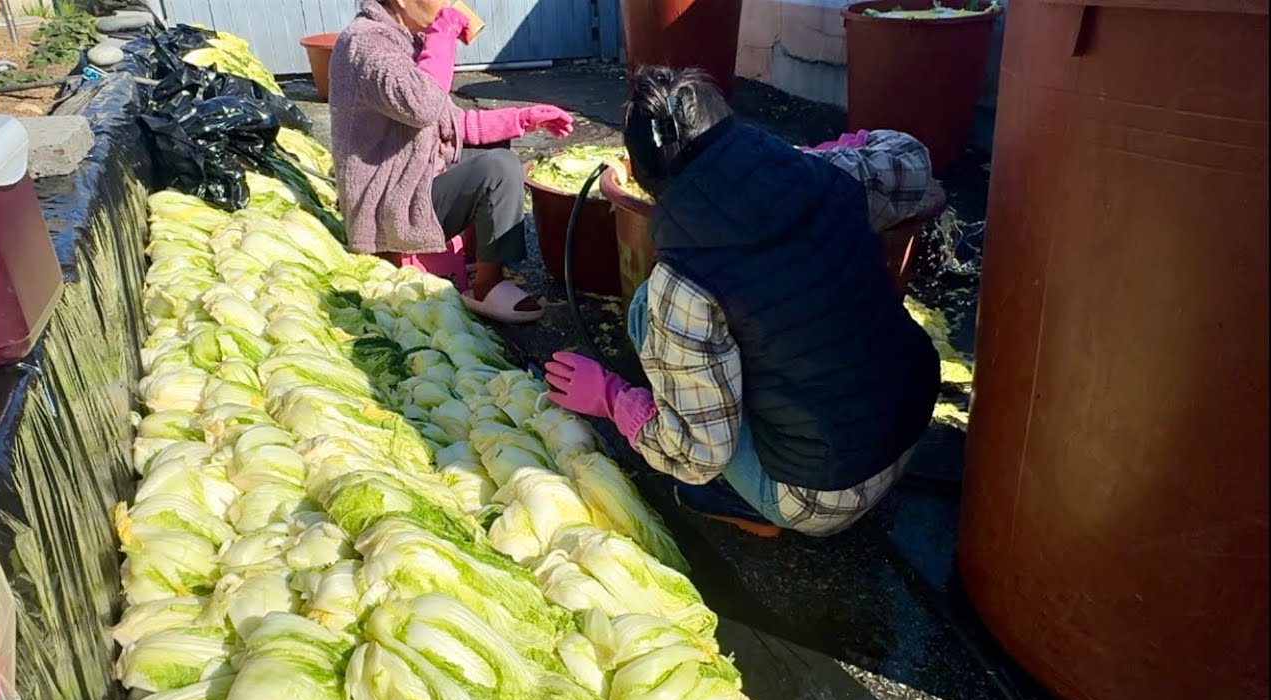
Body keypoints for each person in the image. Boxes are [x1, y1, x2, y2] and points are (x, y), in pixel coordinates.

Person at [545, 67, 944, 538]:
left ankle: (752, 506)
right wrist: (843, 146)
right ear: (729, 127)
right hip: (908, 422)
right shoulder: (828, 173)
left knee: (644, 311)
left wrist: (613, 399)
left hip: (821, 496)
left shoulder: (682, 285)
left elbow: (697, 455)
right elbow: (912, 163)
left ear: (646, 181)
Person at [329, 0, 575, 323]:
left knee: (493, 146)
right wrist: (443, 33)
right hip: (386, 205)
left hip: (414, 176)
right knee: (500, 169)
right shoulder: (366, 43)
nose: (450, 3)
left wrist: (525, 118)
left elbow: (454, 125)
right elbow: (424, 105)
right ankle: (487, 285)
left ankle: (476, 258)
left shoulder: (403, 39)